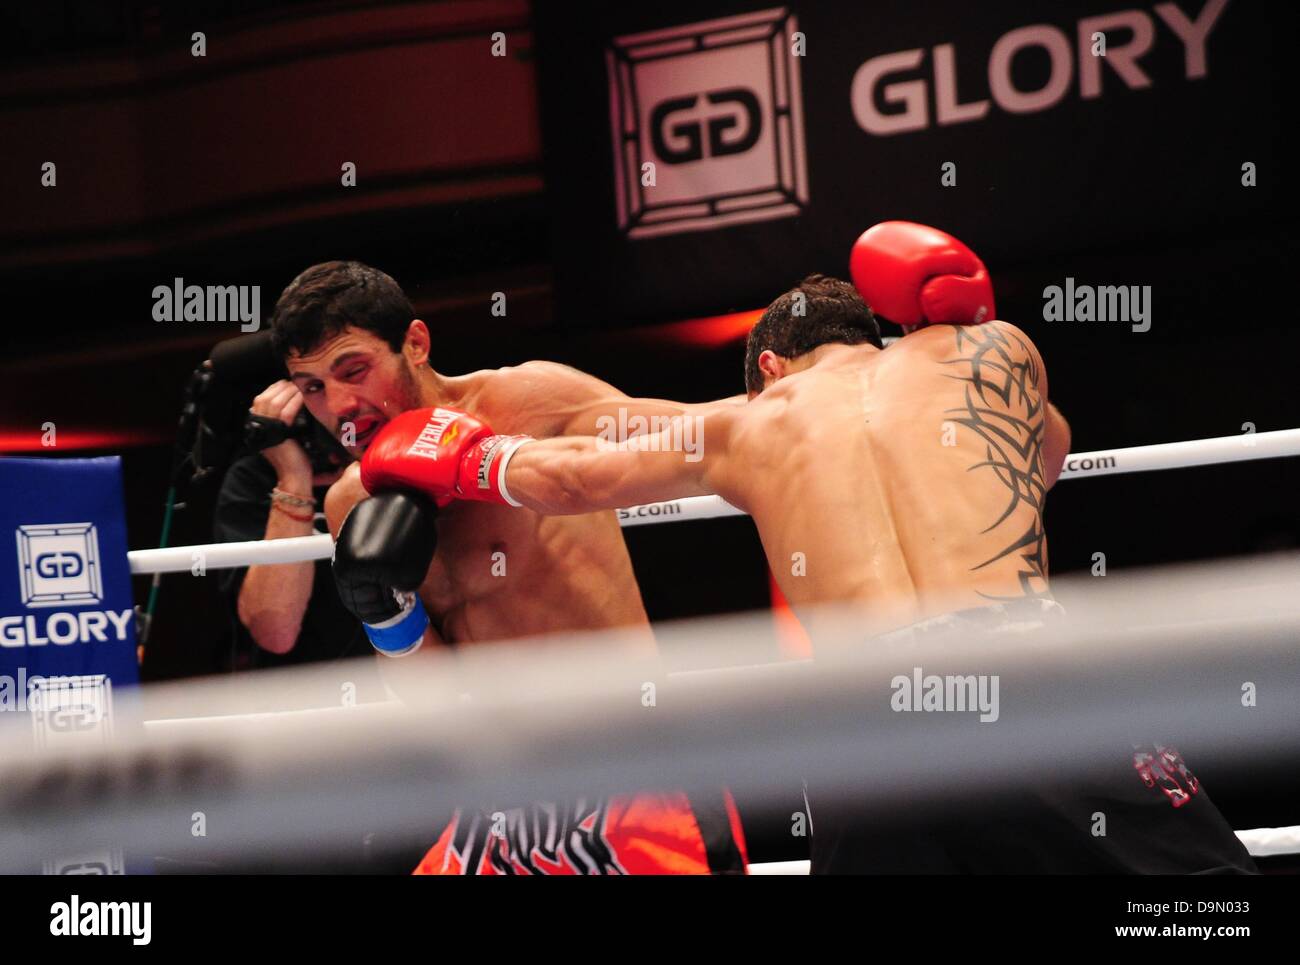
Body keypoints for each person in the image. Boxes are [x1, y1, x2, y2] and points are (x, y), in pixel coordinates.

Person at [365, 222, 1256, 874]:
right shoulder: (989, 351)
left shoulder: (751, 422)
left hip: (863, 721)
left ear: (769, 368)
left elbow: (572, 479)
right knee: (1202, 901)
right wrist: (969, 328)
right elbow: (1047, 453)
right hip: (1028, 668)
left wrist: (468, 454)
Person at [270, 260, 747, 874]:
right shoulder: (351, 502)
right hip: (499, 800)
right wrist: (387, 619)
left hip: (629, 766)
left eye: (353, 371)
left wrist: (816, 398)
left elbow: (705, 437)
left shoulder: (528, 401)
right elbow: (433, 702)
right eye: (311, 388)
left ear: (415, 344)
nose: (338, 404)